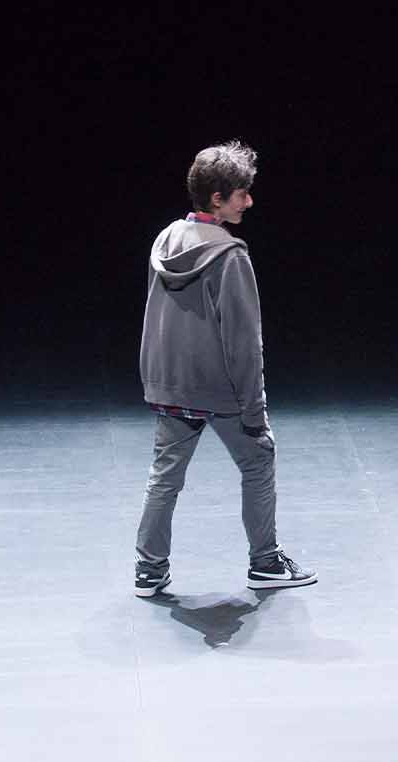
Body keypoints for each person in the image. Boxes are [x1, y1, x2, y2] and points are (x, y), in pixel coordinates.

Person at [133, 141, 315, 597]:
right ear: (218, 198)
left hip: (168, 383)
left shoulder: (167, 238)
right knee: (259, 460)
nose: (249, 201)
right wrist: (255, 411)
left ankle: (148, 571)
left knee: (165, 477)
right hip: (217, 388)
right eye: (242, 194)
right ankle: (265, 563)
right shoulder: (230, 256)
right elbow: (243, 343)